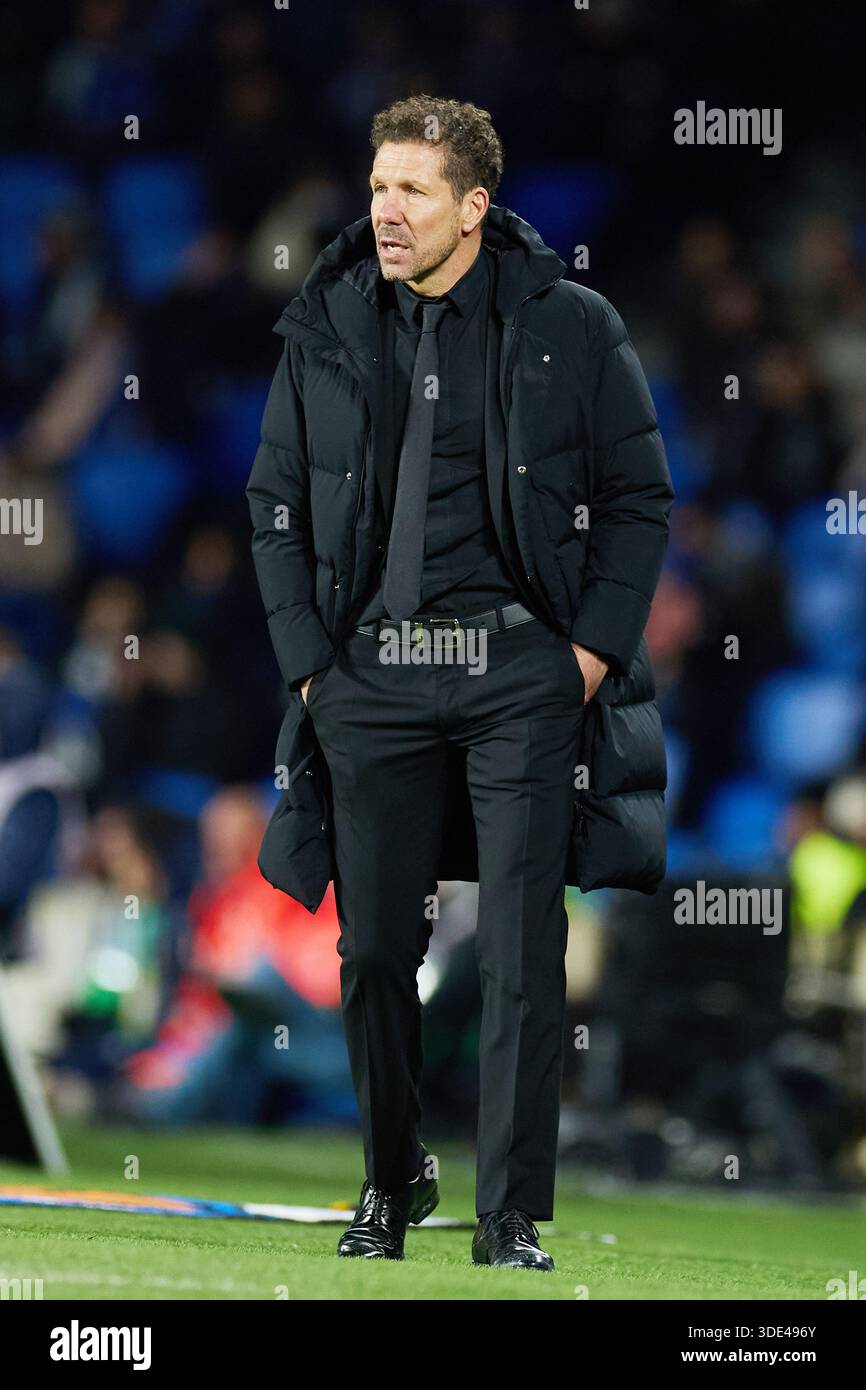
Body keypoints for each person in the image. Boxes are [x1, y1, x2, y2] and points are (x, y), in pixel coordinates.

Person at [247, 96, 674, 1269]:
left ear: (473, 208)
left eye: (413, 191)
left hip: (516, 672)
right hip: (368, 676)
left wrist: (582, 655)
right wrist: (309, 674)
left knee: (527, 952)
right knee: (376, 949)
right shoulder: (329, 319)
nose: (385, 210)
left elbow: (638, 501)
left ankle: (509, 1216)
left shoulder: (571, 325)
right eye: (378, 187)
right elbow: (273, 504)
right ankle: (392, 1182)